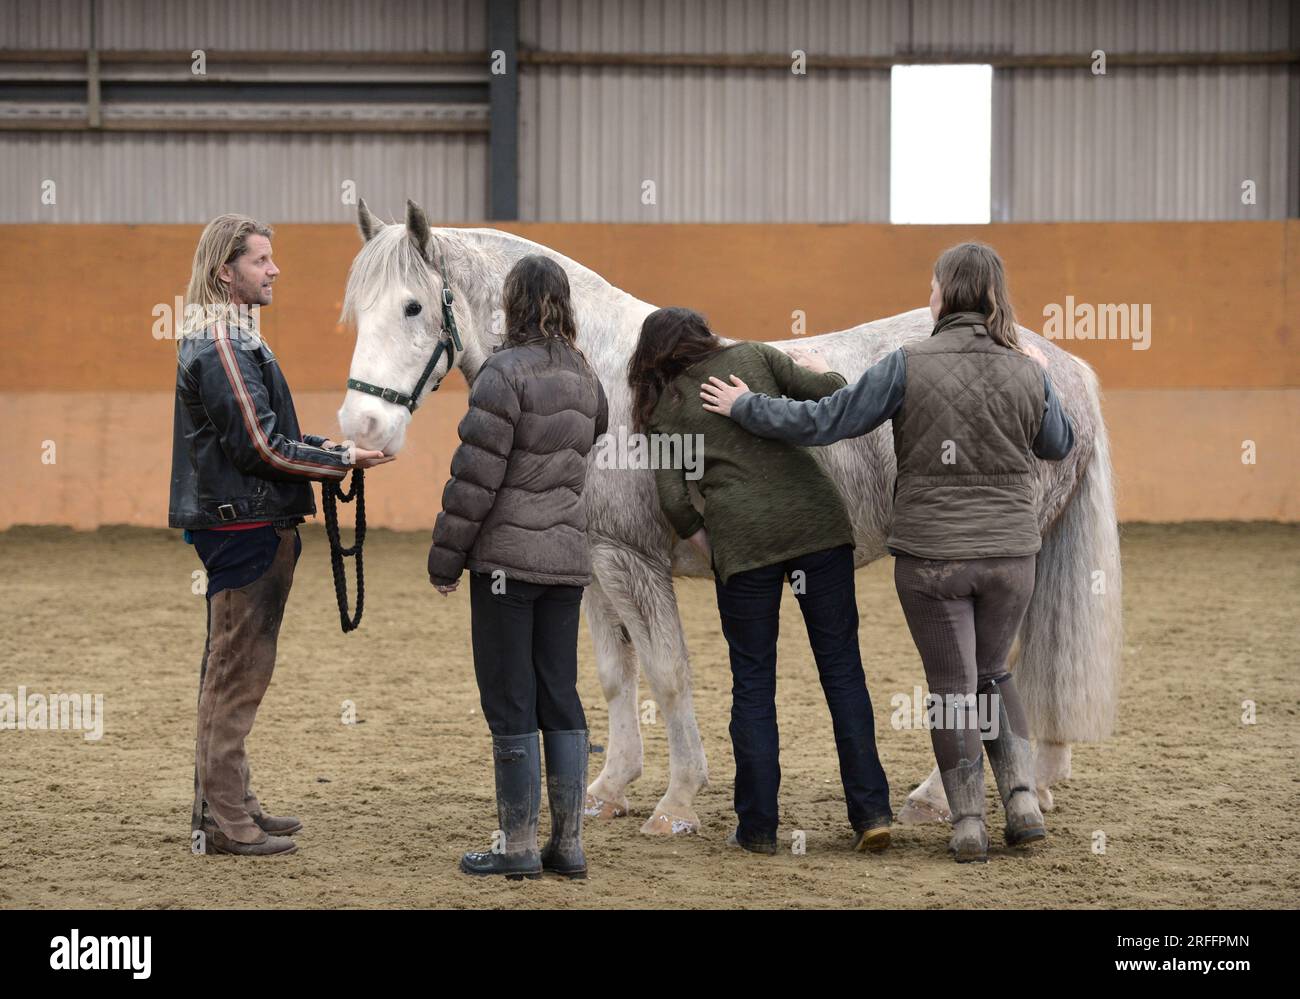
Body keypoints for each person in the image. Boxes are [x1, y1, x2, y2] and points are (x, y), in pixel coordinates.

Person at [701, 242, 1075, 863]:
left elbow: (827, 420)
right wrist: (1038, 375)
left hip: (933, 556)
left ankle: (968, 825)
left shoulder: (905, 363)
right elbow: (1057, 442)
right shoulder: (1027, 367)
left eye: (932, 287)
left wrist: (746, 407)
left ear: (945, 294)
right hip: (1012, 554)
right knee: (994, 672)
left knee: (953, 686)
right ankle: (1022, 800)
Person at [630, 306, 893, 856]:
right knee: (843, 671)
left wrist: (706, 539)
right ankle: (870, 813)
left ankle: (758, 827)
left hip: (744, 548)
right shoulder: (754, 355)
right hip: (819, 528)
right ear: (702, 335)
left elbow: (674, 501)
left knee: (753, 684)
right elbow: (830, 396)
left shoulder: (664, 408)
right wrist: (824, 367)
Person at [169, 214, 393, 857]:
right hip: (245, 527)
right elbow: (261, 445)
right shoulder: (224, 345)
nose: (274, 270)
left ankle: (229, 805)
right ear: (226, 272)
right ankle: (223, 820)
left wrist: (329, 449)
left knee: (232, 668)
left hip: (244, 522)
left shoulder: (230, 340)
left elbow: (264, 434)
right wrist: (340, 461)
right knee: (236, 674)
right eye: (261, 261)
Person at [429, 254, 608, 880]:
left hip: (506, 563)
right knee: (560, 695)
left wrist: (445, 558)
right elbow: (596, 434)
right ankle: (570, 845)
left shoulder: (502, 373)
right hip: (565, 561)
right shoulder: (587, 377)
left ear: (512, 303)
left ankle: (517, 844)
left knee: (510, 700)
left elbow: (475, 478)